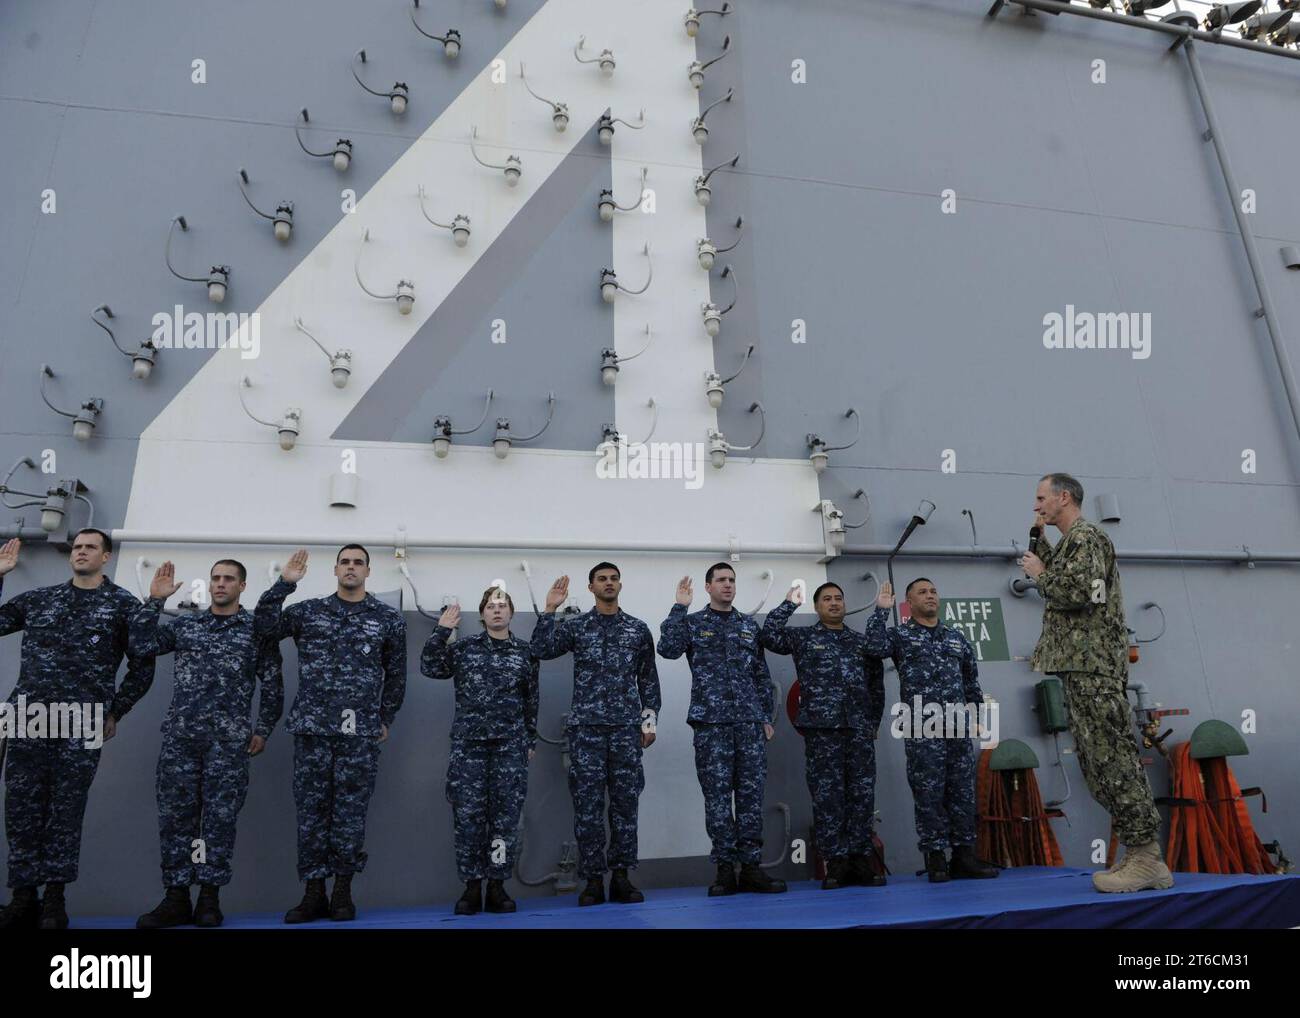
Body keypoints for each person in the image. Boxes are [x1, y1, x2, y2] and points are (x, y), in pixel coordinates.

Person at [1019, 472, 1171, 893]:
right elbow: (1066, 575)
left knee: (1113, 759)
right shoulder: (1073, 542)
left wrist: (1039, 575)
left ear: (1063, 497)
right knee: (1097, 761)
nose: (1037, 506)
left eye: (1041, 499)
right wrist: (1038, 544)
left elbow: (1083, 592)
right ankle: (1140, 854)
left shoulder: (1087, 537)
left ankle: (1146, 857)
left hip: (1093, 666)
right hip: (1080, 666)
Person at [0, 531, 156, 929]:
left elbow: (143, 665)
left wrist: (116, 711)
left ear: (105, 556)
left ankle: (54, 900)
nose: (80, 552)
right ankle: (22, 898)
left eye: (89, 547)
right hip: (29, 715)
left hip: (82, 718)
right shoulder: (40, 599)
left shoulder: (123, 606)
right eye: (77, 547)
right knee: (22, 808)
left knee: (65, 810)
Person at [129, 559, 283, 928]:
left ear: (242, 586)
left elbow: (273, 682)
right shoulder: (186, 626)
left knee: (217, 822)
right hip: (182, 739)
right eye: (216, 578)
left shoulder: (255, 631)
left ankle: (209, 898)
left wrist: (262, 728)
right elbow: (142, 645)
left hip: (228, 743)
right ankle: (177, 897)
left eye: (229, 579)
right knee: (177, 820)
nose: (220, 584)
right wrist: (153, 601)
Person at [255, 545, 406, 923]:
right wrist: (284, 584)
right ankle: (312, 894)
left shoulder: (388, 619)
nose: (351, 568)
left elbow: (397, 675)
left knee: (350, 814)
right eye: (345, 562)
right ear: (335, 569)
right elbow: (264, 628)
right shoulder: (308, 612)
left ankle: (342, 892)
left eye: (358, 563)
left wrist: (385, 716)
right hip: (314, 729)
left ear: (368, 572)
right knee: (312, 813)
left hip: (359, 734)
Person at [530, 563, 660, 906]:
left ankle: (621, 877)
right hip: (586, 731)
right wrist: (549, 610)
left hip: (625, 730)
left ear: (620, 584)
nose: (609, 583)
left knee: (625, 806)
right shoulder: (579, 627)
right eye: (602, 579)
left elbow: (648, 679)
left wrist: (649, 721)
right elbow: (541, 650)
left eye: (614, 578)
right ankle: (592, 881)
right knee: (587, 808)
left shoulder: (637, 629)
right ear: (591, 588)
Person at [657, 563, 786, 896]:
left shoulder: (748, 626)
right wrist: (679, 607)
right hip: (711, 723)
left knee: (750, 799)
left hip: (748, 724)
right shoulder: (692, 623)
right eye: (721, 581)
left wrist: (765, 717)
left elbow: (760, 675)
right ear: (708, 587)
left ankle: (752, 868)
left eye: (731, 580)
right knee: (716, 799)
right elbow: (668, 649)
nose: (728, 585)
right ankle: (726, 870)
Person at [865, 578, 998, 882]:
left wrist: (977, 716)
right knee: (928, 792)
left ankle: (964, 856)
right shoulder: (900, 636)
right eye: (922, 592)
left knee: (962, 792)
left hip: (957, 725)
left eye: (933, 591)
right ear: (909, 603)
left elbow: (971, 682)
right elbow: (873, 647)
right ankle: (936, 858)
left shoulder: (956, 638)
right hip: (921, 726)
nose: (930, 596)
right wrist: (880, 611)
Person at [760, 581, 886, 889]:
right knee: (827, 797)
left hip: (857, 729)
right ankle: (836, 863)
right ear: (816, 607)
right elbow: (768, 636)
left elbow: (876, 685)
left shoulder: (861, 643)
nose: (833, 603)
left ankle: (859, 860)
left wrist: (873, 723)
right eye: (826, 599)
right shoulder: (803, 638)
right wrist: (788, 604)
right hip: (822, 731)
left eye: (838, 599)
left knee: (861, 795)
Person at [422, 587, 538, 915]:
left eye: (502, 606)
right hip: (469, 748)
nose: (497, 611)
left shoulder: (526, 653)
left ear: (511, 613)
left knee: (504, 820)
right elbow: (430, 666)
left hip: (509, 748)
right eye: (490, 606)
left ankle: (497, 886)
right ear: (482, 613)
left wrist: (529, 740)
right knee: (468, 819)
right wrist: (441, 630)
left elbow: (532, 700)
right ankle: (472, 887)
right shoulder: (463, 649)